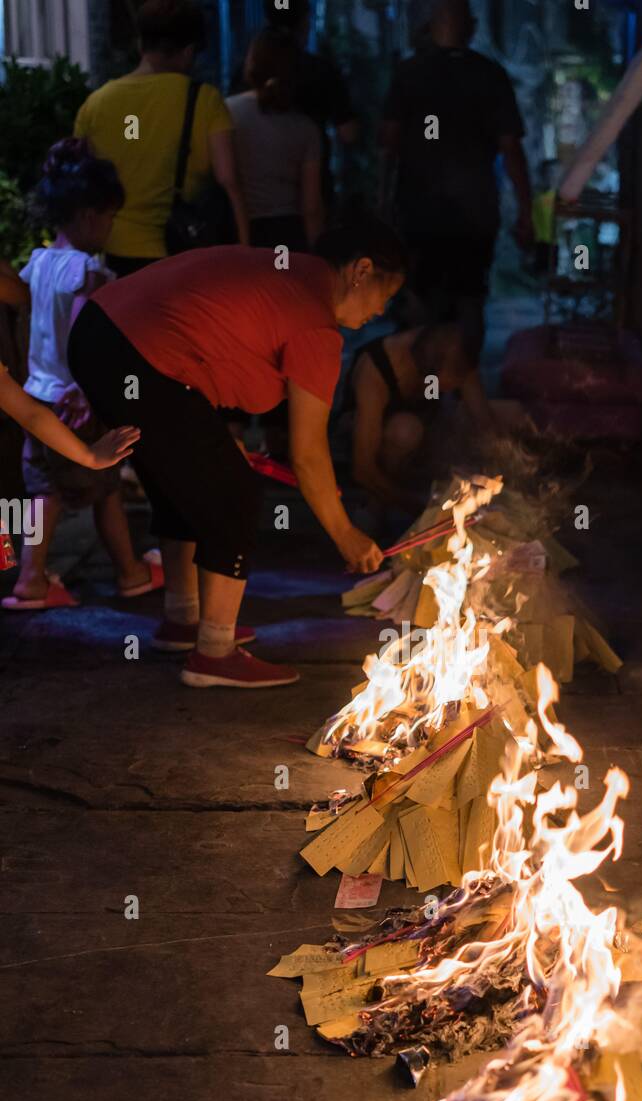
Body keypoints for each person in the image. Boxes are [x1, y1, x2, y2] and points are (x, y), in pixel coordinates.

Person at [66, 220, 407, 690]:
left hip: (98, 334)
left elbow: (205, 336)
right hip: (138, 354)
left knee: (182, 477)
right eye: (385, 293)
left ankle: (184, 619)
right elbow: (308, 454)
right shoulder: (315, 319)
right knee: (235, 493)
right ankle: (215, 650)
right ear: (362, 270)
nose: (383, 308)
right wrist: (345, 534)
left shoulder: (288, 273)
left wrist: (210, 437)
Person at [2, 139, 160, 611]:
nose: (111, 228)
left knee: (44, 488)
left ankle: (31, 579)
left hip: (38, 391)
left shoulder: (37, 263)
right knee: (105, 486)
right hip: (76, 396)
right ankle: (130, 572)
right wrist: (86, 387)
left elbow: (28, 325)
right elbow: (82, 335)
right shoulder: (85, 270)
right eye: (110, 217)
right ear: (90, 215)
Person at [380, 0, 533, 362]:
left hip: (418, 207)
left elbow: (387, 145)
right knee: (469, 300)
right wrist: (526, 212)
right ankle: (463, 388)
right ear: (473, 27)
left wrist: (382, 203)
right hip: (474, 209)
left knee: (420, 297)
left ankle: (422, 387)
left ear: (431, 27)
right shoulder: (490, 75)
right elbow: (511, 148)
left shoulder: (408, 73)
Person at [74, 0, 248, 277]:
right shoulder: (205, 101)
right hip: (180, 252)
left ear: (141, 44)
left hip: (114, 255)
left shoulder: (95, 104)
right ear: (189, 51)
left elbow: (82, 185)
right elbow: (229, 180)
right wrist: (244, 250)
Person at [344, 322, 503, 512]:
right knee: (405, 430)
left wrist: (500, 470)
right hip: (365, 439)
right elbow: (363, 469)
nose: (455, 387)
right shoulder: (376, 370)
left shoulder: (440, 364)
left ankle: (421, 481)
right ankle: (378, 504)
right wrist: (420, 507)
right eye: (451, 385)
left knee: (503, 413)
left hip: (421, 433)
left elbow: (483, 420)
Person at [227, 28, 324, 254]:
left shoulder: (226, 113)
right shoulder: (306, 128)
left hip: (237, 226)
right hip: (289, 231)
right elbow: (311, 206)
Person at [267, 0, 358, 211]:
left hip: (259, 195)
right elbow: (349, 133)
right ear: (304, 22)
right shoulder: (321, 71)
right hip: (315, 186)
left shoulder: (248, 73)